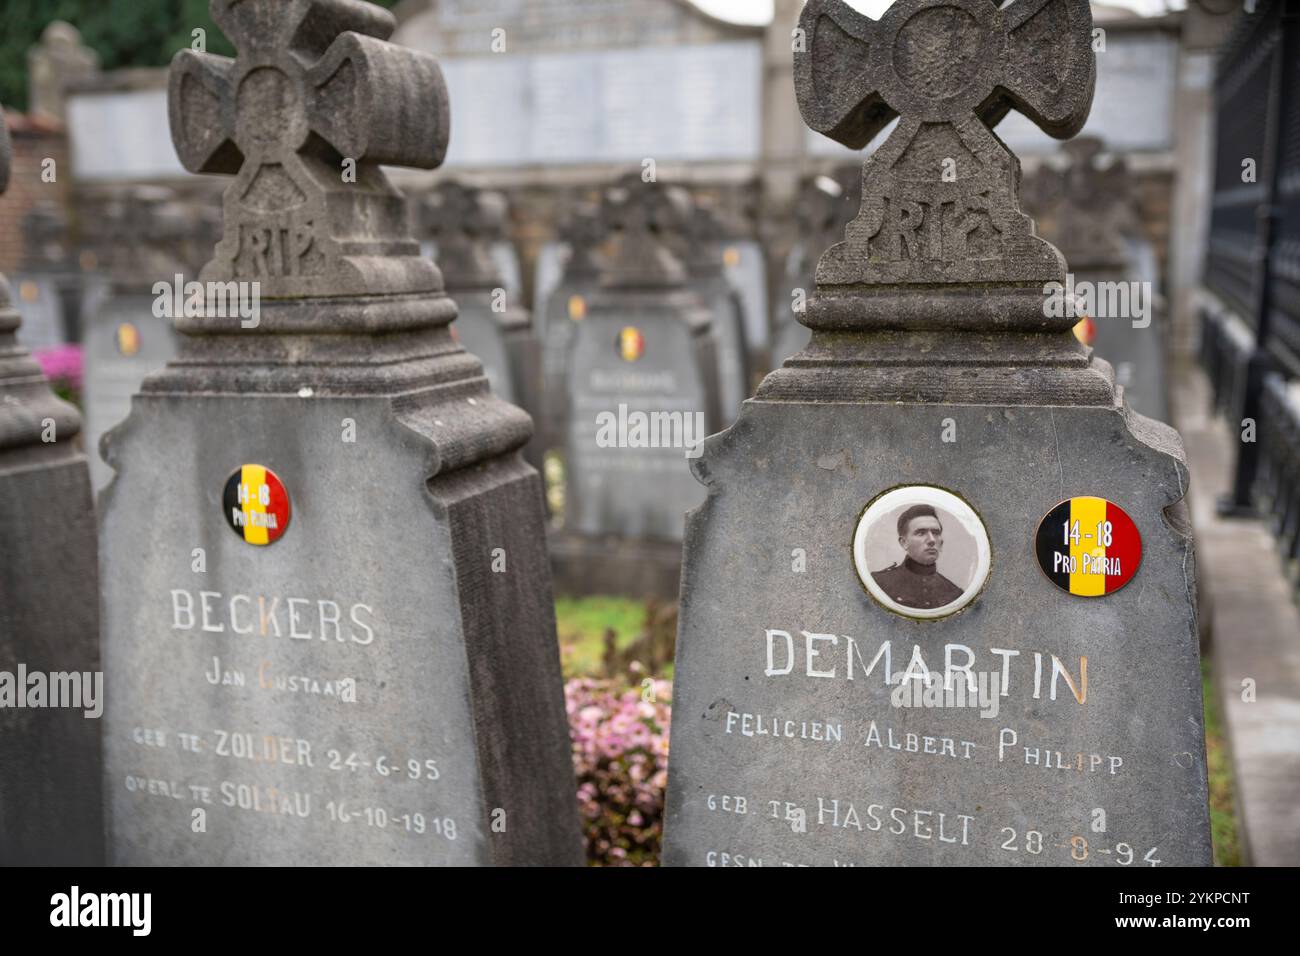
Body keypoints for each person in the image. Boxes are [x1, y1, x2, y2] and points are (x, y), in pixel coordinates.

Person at [872, 504, 964, 610]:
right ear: (903, 543)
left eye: (936, 533)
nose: (932, 540)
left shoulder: (954, 594)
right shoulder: (878, 583)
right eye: (921, 533)